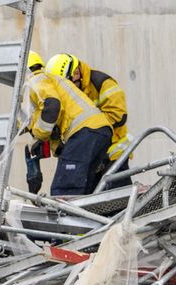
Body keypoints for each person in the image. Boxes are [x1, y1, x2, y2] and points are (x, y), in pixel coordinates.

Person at [45, 53, 133, 187]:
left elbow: (118, 115)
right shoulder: (71, 93)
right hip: (89, 156)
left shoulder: (102, 83)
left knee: (118, 201)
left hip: (113, 157)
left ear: (76, 73)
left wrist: (89, 125)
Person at [22, 70, 112, 196]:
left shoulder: (37, 80)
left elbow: (52, 106)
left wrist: (39, 136)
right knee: (85, 192)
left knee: (63, 191)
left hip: (85, 131)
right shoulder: (52, 85)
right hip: (100, 132)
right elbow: (54, 120)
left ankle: (63, 215)